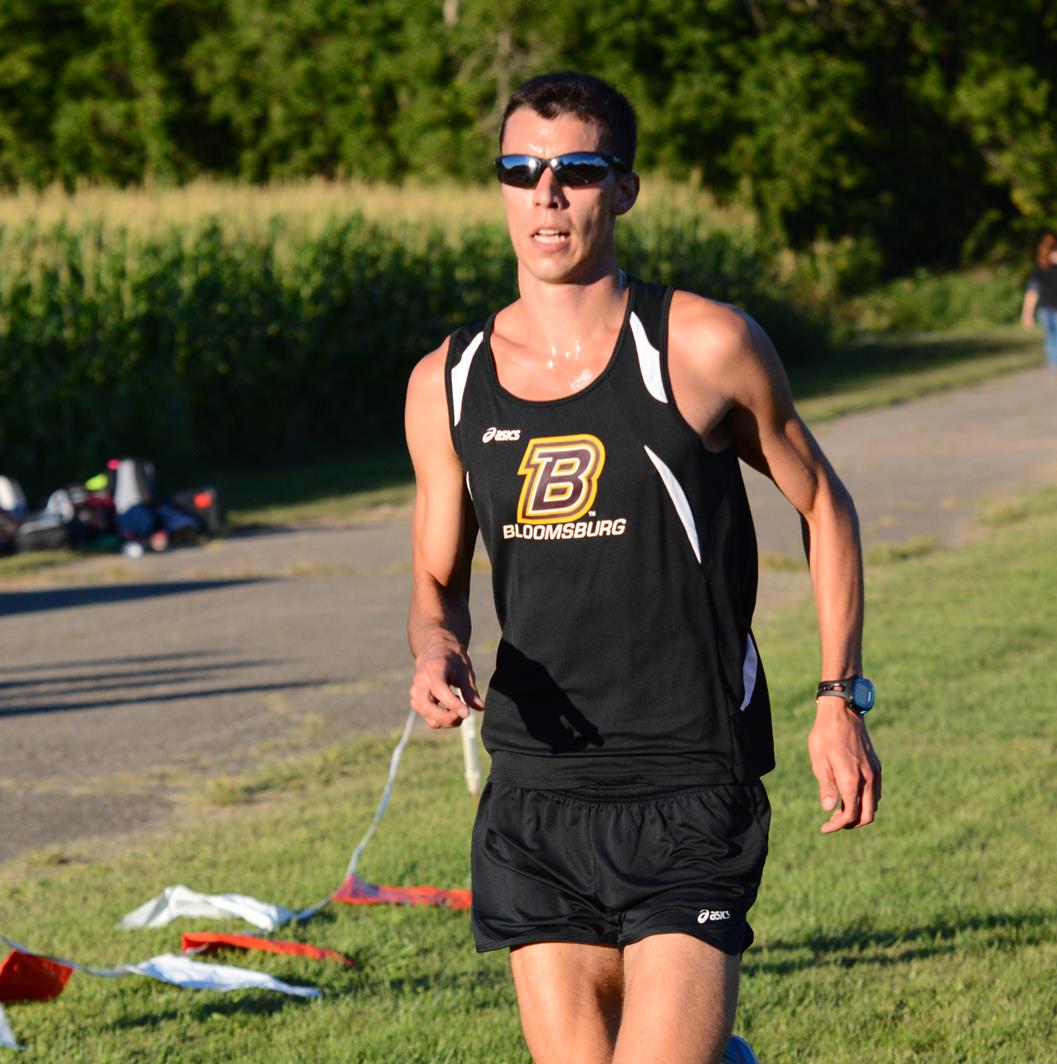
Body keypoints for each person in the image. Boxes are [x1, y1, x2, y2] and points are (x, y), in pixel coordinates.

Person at [403, 72, 880, 1064]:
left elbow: (824, 505)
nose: (545, 194)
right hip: (535, 785)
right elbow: (435, 580)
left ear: (622, 189)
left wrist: (839, 694)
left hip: (685, 775)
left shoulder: (702, 344)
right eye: (519, 170)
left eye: (575, 171)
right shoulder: (446, 380)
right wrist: (435, 647)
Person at [1020, 232, 1057, 382]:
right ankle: (1055, 366)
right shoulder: (1042, 265)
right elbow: (1033, 291)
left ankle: (1056, 365)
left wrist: (1027, 314)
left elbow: (1033, 292)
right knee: (1055, 339)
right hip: (1049, 308)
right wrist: (1027, 314)